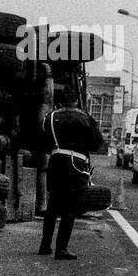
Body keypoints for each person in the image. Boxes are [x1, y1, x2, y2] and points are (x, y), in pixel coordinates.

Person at [37, 89, 101, 260]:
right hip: (76, 162)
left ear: (60, 102)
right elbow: (96, 143)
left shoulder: (50, 117)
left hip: (56, 160)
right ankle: (61, 249)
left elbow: (43, 143)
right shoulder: (85, 118)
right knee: (70, 207)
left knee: (53, 204)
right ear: (76, 101)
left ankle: (45, 245)